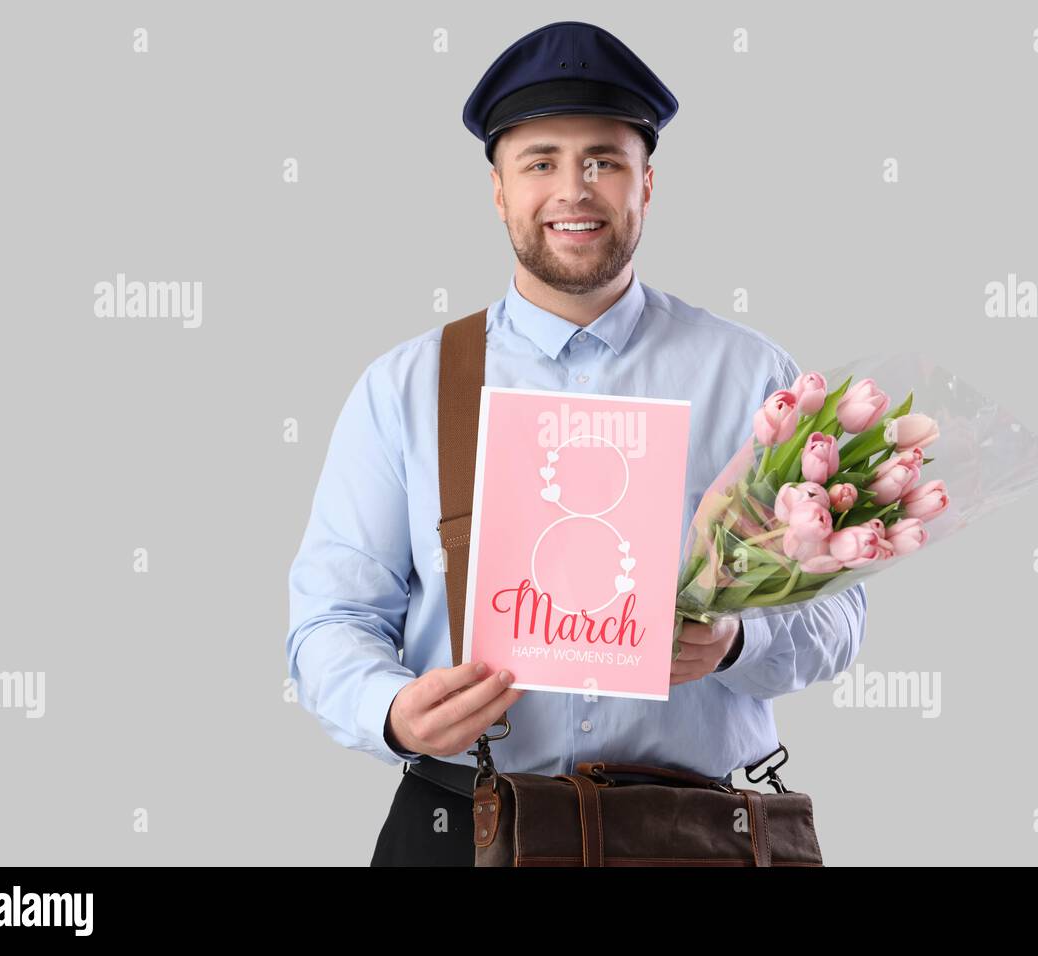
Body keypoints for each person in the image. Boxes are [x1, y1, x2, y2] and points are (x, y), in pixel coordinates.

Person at [286, 20, 868, 867]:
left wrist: (739, 642)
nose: (574, 190)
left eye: (603, 161)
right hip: (458, 830)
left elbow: (841, 613)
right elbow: (332, 619)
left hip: (689, 836)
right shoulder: (405, 387)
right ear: (498, 190)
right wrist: (390, 710)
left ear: (647, 184)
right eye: (540, 162)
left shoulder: (754, 378)